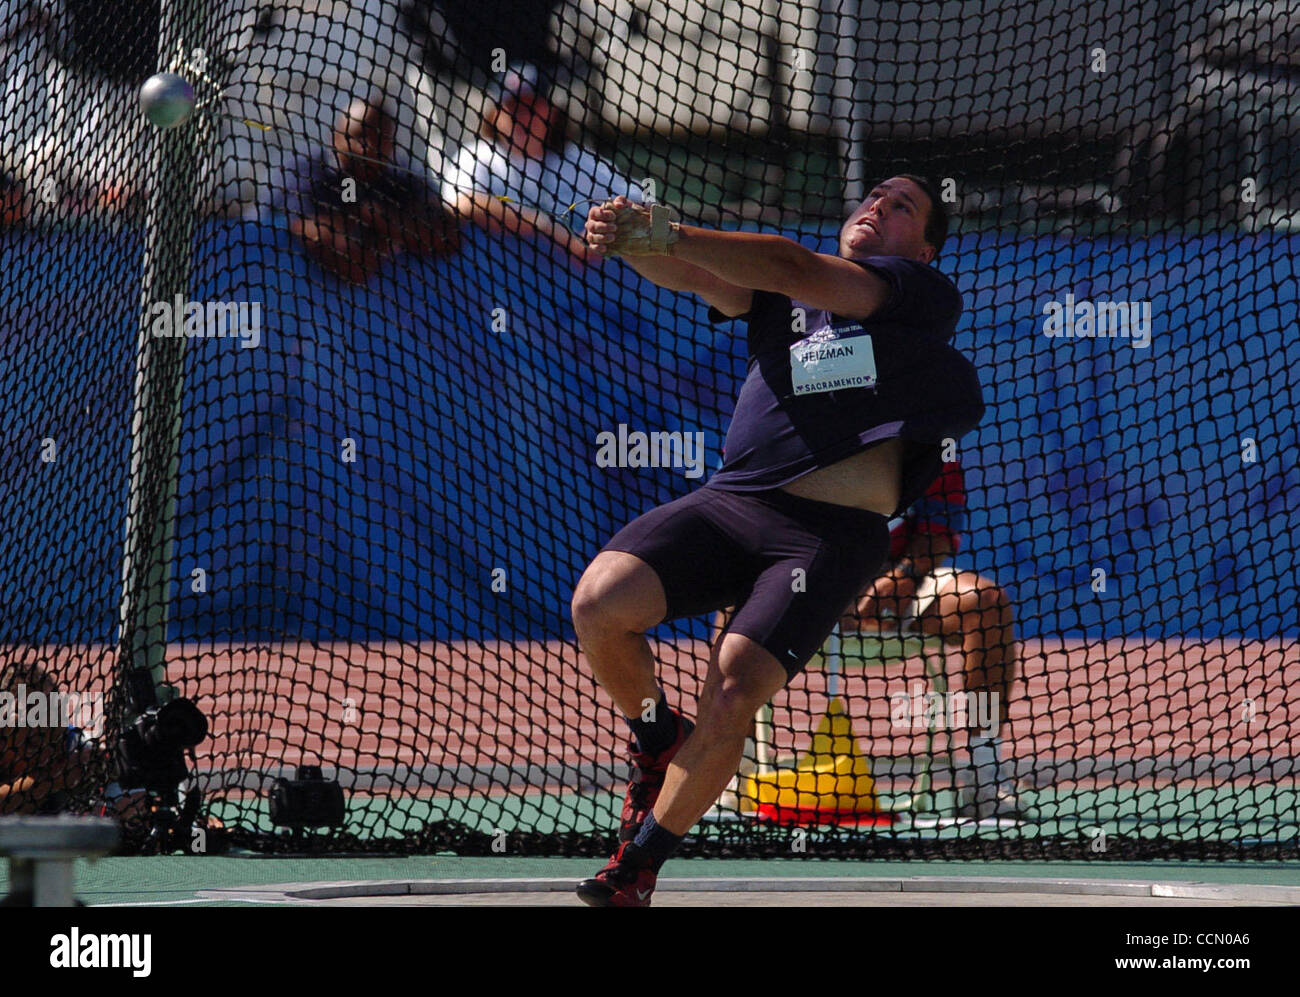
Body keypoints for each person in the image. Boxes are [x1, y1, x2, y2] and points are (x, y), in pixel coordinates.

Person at [570, 174, 985, 905]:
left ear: (922, 250)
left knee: (731, 688)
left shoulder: (922, 295)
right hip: (734, 504)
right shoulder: (783, 301)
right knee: (600, 603)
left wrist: (668, 230)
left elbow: (792, 264)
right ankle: (660, 733)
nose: (876, 209)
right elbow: (701, 275)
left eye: (901, 208)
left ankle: (636, 865)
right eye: (873, 196)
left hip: (824, 538)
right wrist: (632, 239)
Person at [839, 460, 1025, 819]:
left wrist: (905, 575)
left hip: (901, 577)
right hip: (803, 574)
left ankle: (984, 776)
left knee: (987, 603)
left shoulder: (929, 428)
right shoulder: (803, 418)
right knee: (737, 598)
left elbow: (938, 525)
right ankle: (731, 767)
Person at [442, 62, 637, 269]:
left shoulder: (578, 161)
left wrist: (607, 220)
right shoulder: (478, 156)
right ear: (496, 114)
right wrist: (548, 229)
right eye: (514, 108)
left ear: (551, 113)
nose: (523, 118)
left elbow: (641, 199)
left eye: (532, 107)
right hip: (498, 281)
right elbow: (461, 204)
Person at [277, 94, 459, 284]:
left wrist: (380, 220)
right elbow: (352, 265)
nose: (368, 148)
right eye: (359, 136)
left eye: (379, 138)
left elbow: (447, 234)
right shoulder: (305, 172)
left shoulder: (399, 180)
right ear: (335, 137)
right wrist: (391, 232)